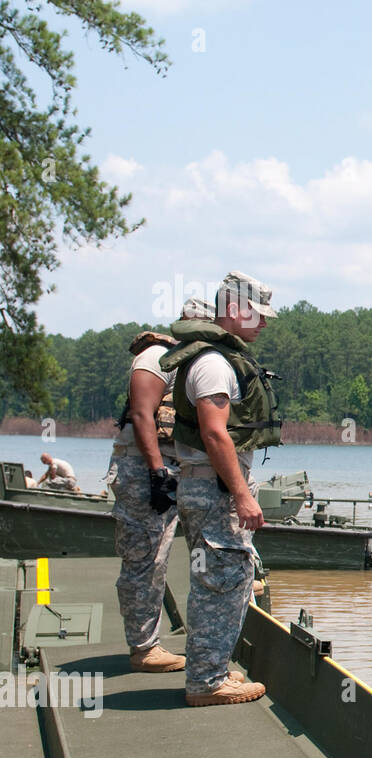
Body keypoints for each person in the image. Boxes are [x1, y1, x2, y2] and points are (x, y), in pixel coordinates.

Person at [159, 271, 282, 707]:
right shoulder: (214, 363)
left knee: (218, 578)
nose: (264, 323)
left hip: (207, 488)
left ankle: (209, 669)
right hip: (214, 491)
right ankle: (207, 683)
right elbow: (215, 434)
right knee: (224, 579)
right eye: (257, 314)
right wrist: (243, 495)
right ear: (234, 309)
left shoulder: (216, 357)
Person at [107, 297, 215, 675]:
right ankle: (143, 649)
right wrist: (156, 472)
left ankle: (146, 643)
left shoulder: (187, 362)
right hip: (143, 468)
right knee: (144, 558)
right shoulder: (157, 356)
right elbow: (141, 413)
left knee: (157, 557)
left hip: (169, 467)